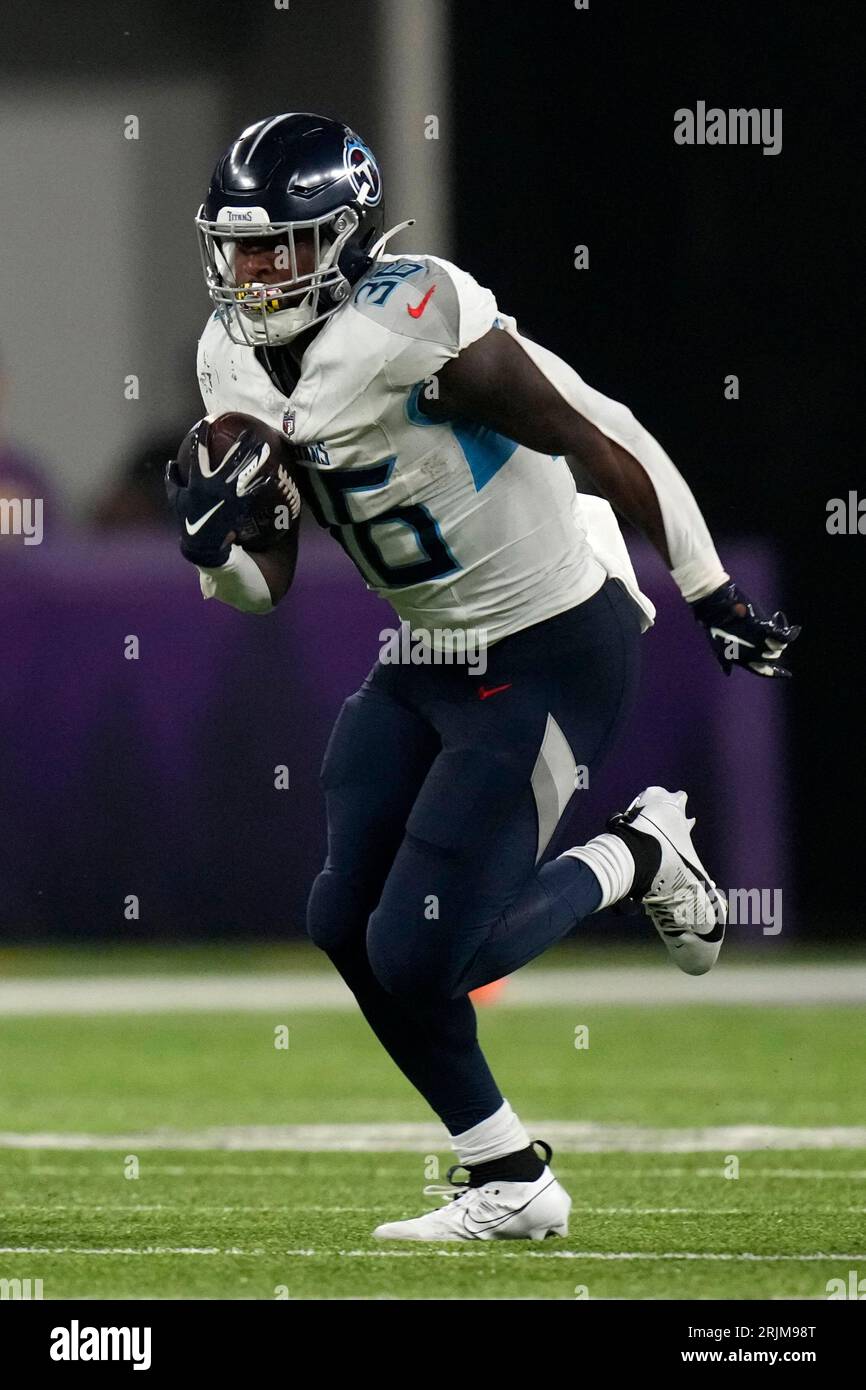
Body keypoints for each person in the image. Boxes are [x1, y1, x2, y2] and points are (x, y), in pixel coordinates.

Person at [167, 113, 799, 1241]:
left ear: (344, 236)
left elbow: (603, 439)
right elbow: (267, 583)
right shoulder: (226, 359)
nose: (254, 272)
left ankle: (640, 850)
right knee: (340, 920)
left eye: (280, 246)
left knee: (423, 952)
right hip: (426, 648)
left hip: (554, 636)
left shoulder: (413, 322)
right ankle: (507, 1174)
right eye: (240, 247)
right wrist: (214, 549)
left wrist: (708, 593)